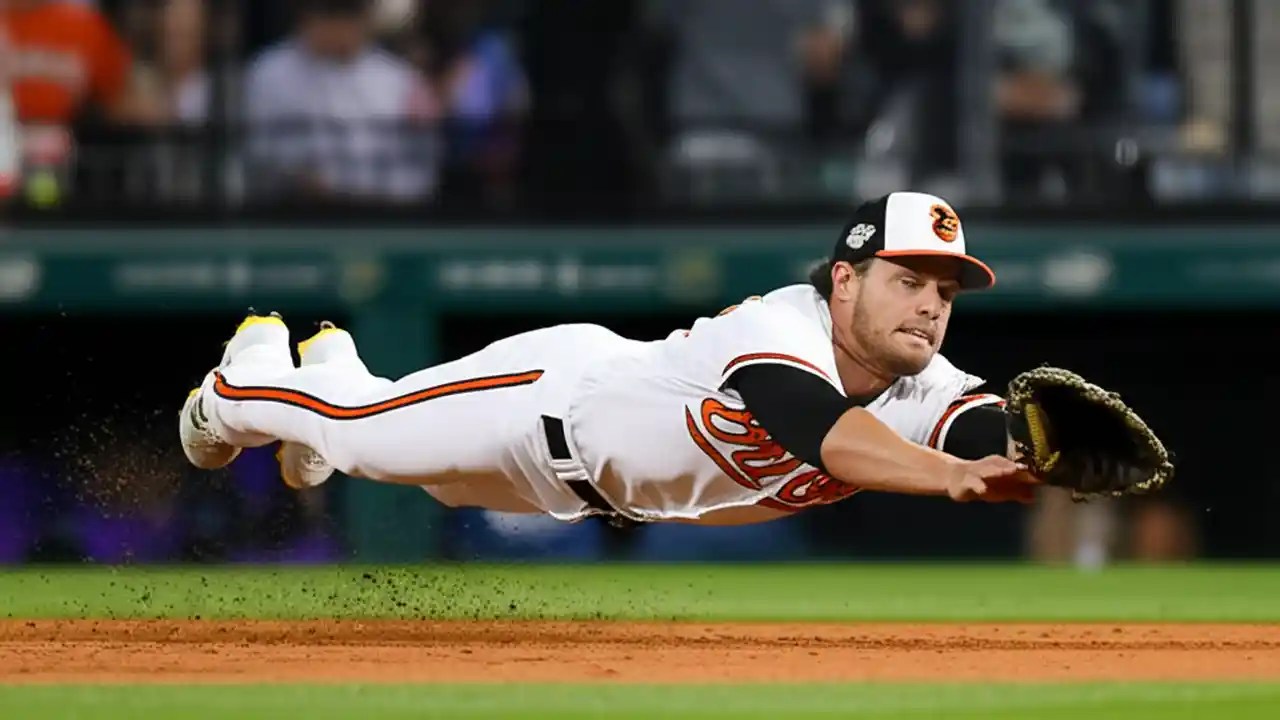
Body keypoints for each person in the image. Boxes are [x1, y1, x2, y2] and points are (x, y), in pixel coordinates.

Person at [179, 191, 1040, 527]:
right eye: (908, 280)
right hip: (544, 404)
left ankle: (330, 379)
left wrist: (1051, 451)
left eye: (946, 291)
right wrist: (948, 476)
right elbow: (824, 431)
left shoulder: (920, 380)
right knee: (365, 438)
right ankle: (241, 380)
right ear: (845, 281)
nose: (930, 305)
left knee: (422, 475)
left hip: (572, 495)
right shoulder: (783, 327)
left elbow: (989, 429)